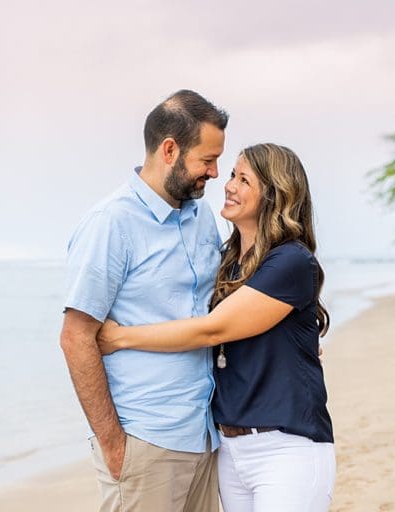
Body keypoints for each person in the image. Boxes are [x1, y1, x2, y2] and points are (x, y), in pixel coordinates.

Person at [98, 143, 336, 512]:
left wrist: (120, 337)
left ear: (275, 195)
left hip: (287, 448)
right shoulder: (227, 262)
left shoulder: (290, 261)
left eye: (244, 180)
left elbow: (211, 330)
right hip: (229, 448)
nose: (229, 185)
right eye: (232, 175)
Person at [59, 90, 229, 512]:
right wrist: (114, 446)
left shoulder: (202, 216)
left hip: (204, 433)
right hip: (145, 440)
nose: (214, 172)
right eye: (207, 160)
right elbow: (75, 337)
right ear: (170, 150)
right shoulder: (110, 223)